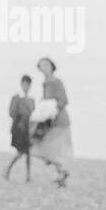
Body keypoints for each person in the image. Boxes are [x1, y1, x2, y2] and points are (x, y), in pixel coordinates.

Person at [29, 56, 73, 187]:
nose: (44, 67)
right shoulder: (46, 82)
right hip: (48, 122)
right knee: (43, 147)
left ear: (52, 66)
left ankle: (62, 174)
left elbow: (63, 100)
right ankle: (62, 173)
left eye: (46, 65)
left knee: (54, 148)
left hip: (59, 121)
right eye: (41, 65)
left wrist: (51, 110)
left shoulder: (56, 81)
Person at [4, 75, 35, 182]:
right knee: (22, 152)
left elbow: (33, 115)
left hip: (28, 129)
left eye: (28, 84)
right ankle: (8, 169)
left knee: (28, 153)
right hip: (19, 128)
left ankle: (28, 175)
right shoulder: (16, 98)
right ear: (21, 84)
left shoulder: (31, 100)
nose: (26, 86)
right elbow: (11, 113)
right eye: (24, 84)